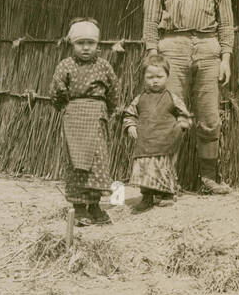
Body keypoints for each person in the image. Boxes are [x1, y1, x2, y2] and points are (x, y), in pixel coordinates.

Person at [141, 0, 235, 195]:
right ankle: (164, 183)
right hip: (173, 47)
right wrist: (153, 55)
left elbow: (227, 21)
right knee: (170, 116)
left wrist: (225, 57)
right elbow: (150, 19)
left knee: (208, 118)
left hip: (208, 47)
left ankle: (208, 179)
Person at [50, 17, 121, 226]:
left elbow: (114, 92)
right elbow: (56, 93)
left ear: (97, 44)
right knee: (76, 162)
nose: (86, 48)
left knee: (97, 161)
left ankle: (95, 206)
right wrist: (67, 108)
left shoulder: (104, 67)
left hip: (97, 116)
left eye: (91, 43)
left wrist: (107, 111)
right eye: (81, 43)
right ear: (72, 44)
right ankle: (80, 207)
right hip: (74, 118)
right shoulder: (65, 66)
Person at [122, 53, 193, 210]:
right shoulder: (139, 99)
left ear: (167, 76)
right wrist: (131, 126)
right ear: (144, 78)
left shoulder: (172, 98)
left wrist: (180, 127)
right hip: (145, 142)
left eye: (159, 76)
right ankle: (147, 196)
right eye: (150, 77)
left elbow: (184, 114)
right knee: (145, 168)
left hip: (165, 141)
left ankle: (166, 194)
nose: (154, 80)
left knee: (163, 167)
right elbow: (129, 114)